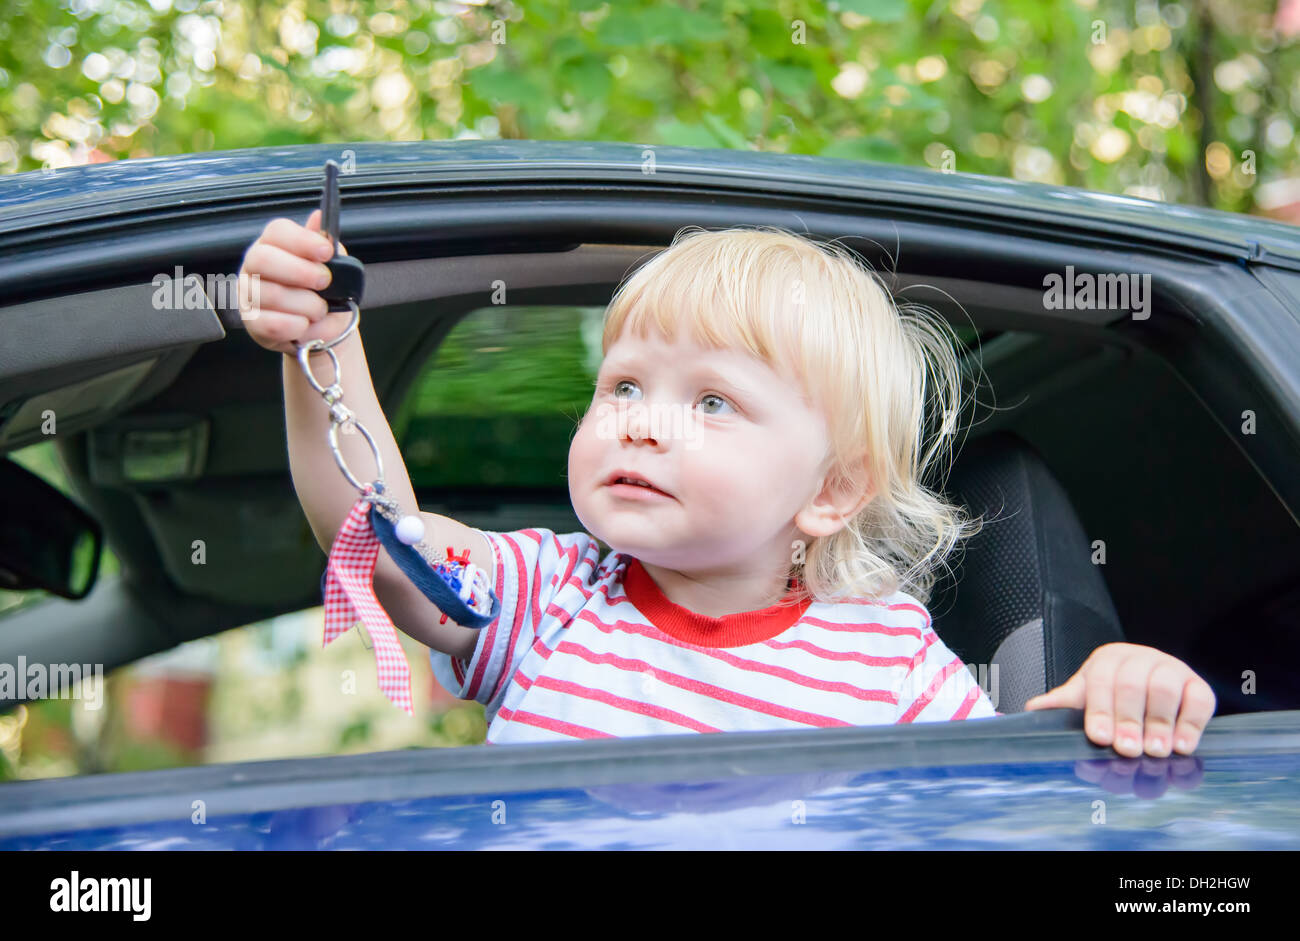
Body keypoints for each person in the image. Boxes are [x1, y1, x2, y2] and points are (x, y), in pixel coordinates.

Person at [239, 214, 1216, 759]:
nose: (641, 418)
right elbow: (384, 539)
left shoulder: (885, 656)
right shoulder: (550, 593)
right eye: (622, 384)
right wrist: (320, 349)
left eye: (712, 401)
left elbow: (996, 796)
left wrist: (1107, 691)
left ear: (831, 489)